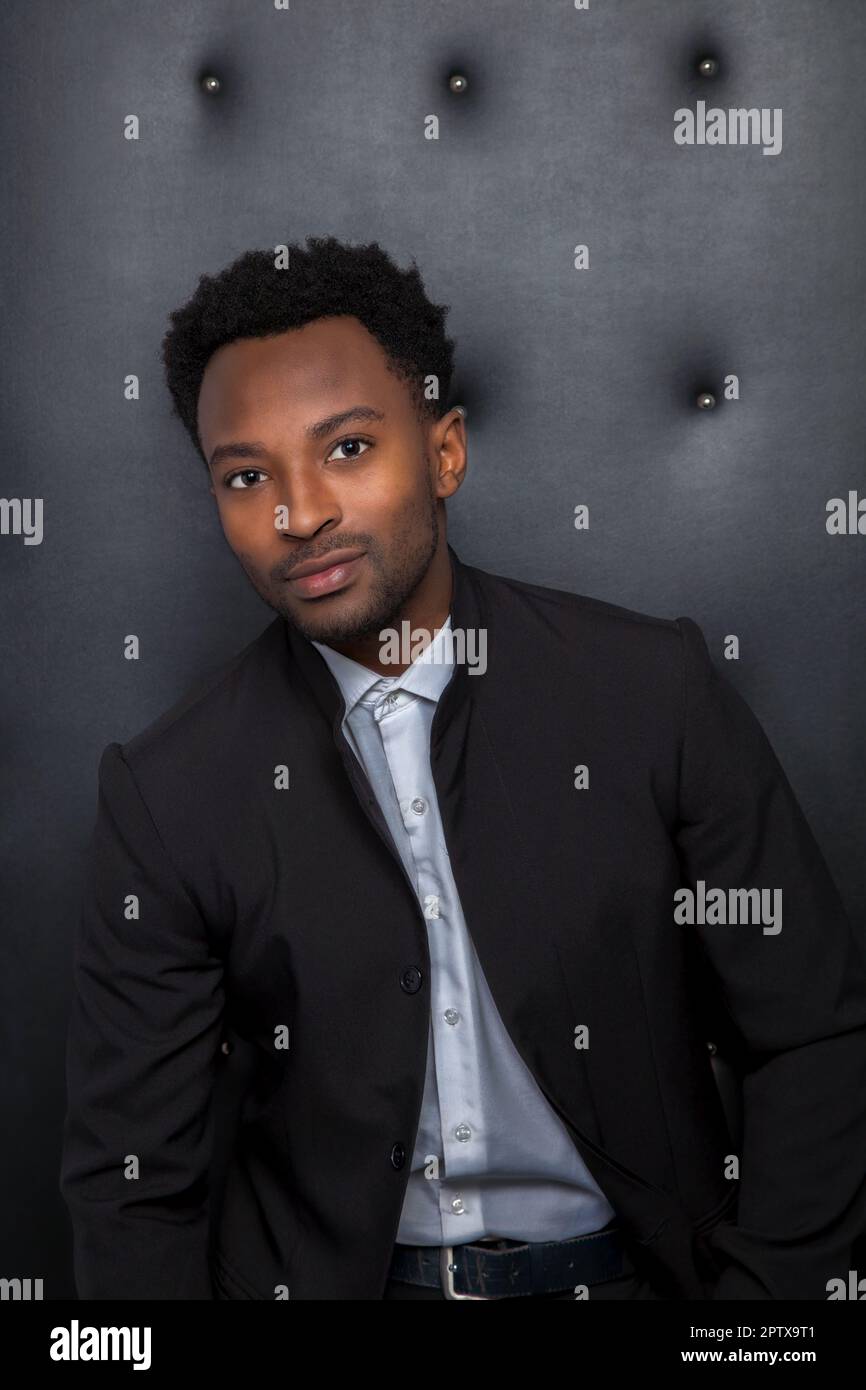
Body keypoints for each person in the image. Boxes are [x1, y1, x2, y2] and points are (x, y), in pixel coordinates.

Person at [60, 236, 866, 1300]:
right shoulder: (169, 791)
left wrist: (758, 1324)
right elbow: (133, 1188)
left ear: (443, 452)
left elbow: (813, 1036)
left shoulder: (648, 690)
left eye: (346, 449)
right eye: (247, 476)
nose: (299, 513)